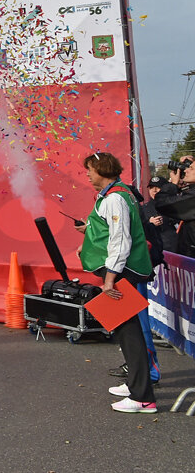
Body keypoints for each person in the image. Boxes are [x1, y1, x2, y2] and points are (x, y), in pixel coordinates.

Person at [78, 152, 157, 414]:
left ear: (102, 169)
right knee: (126, 330)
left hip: (122, 272)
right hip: (120, 270)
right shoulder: (118, 194)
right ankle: (136, 383)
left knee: (129, 331)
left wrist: (110, 278)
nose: (87, 174)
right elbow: (110, 232)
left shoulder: (115, 198)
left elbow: (120, 240)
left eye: (90, 169)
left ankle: (142, 396)